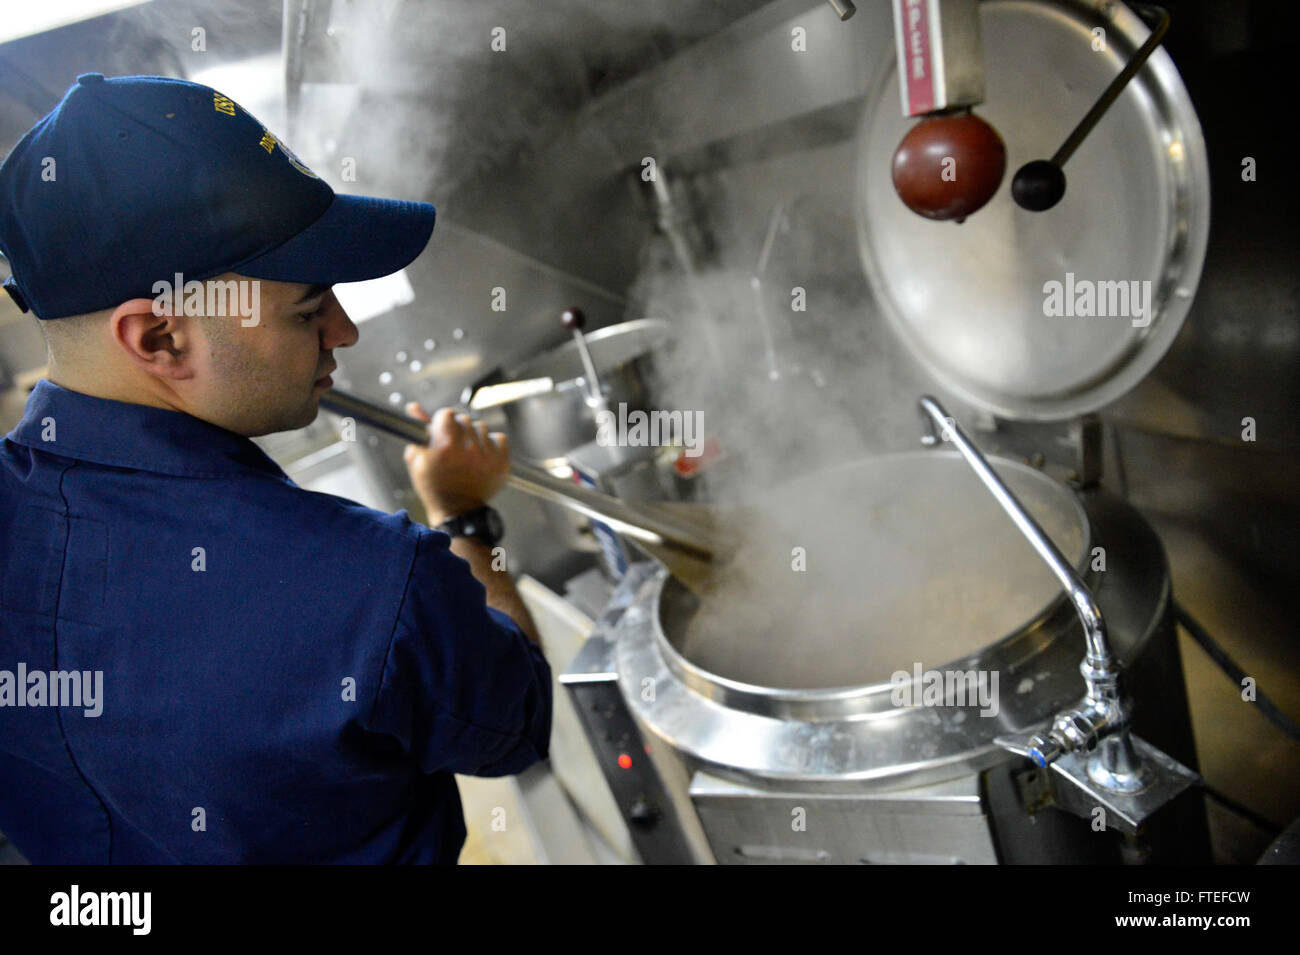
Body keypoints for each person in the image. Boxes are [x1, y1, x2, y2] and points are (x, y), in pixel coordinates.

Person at [0, 73, 551, 863]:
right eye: (308, 308)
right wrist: (463, 515)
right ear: (160, 339)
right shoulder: (374, 585)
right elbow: (518, 723)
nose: (345, 330)